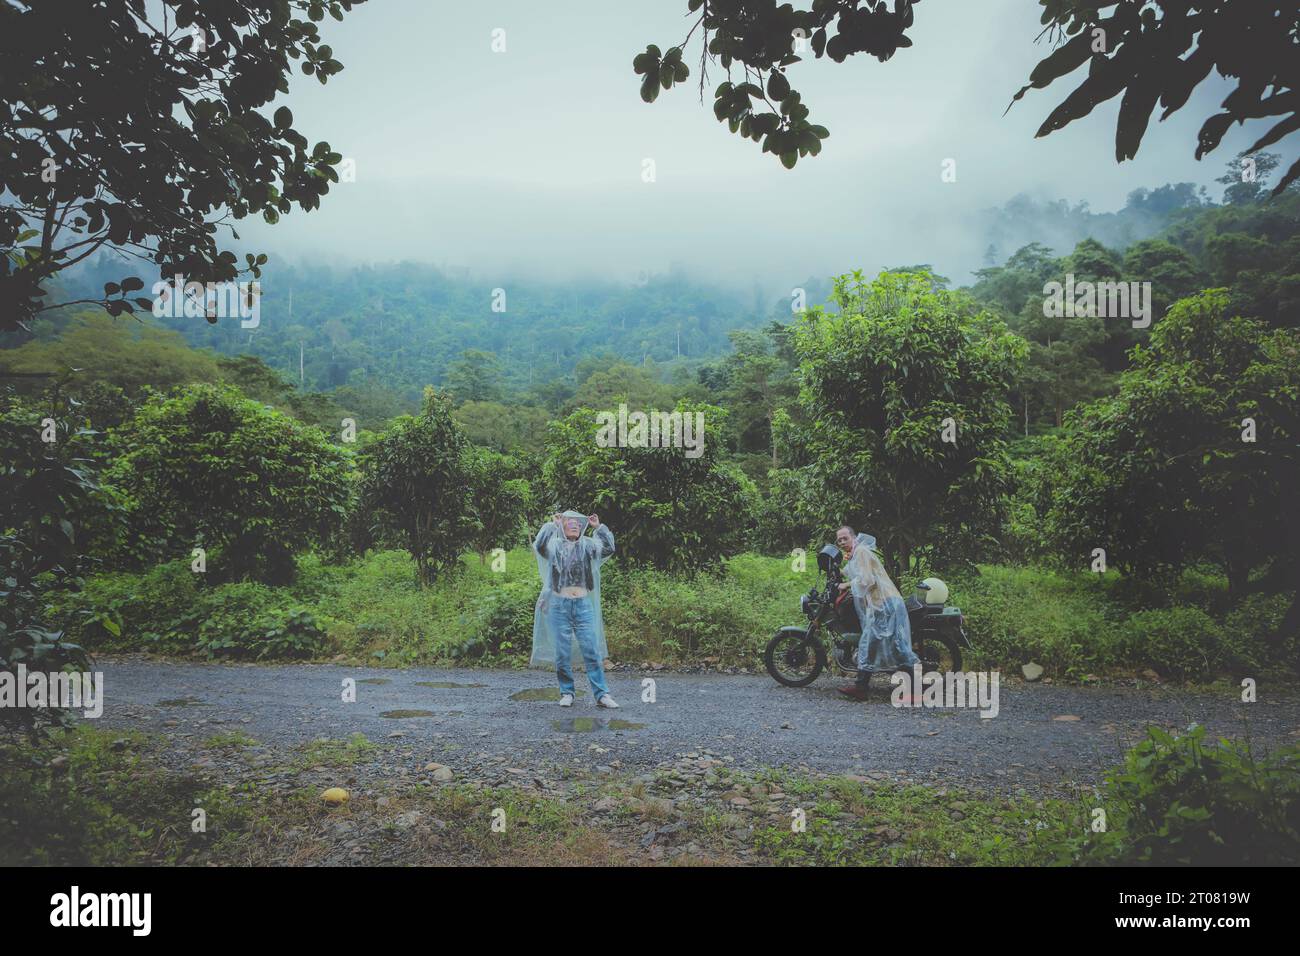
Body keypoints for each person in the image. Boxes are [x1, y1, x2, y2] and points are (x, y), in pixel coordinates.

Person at [530, 510, 619, 708]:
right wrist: (552, 525)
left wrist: (599, 528)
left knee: (591, 649)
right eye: (569, 523)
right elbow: (540, 546)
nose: (574, 525)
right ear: (562, 527)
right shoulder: (554, 546)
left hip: (583, 604)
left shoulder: (587, 546)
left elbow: (608, 549)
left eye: (577, 524)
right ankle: (567, 692)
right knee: (562, 652)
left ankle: (602, 694)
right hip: (559, 605)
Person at [836, 530, 919, 701]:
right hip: (880, 605)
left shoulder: (861, 552)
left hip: (885, 604)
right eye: (839, 540)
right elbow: (856, 573)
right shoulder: (855, 554)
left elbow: (867, 580)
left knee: (895, 646)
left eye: (845, 538)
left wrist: (846, 585)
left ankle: (863, 688)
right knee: (872, 645)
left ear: (854, 537)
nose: (842, 542)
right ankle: (861, 687)